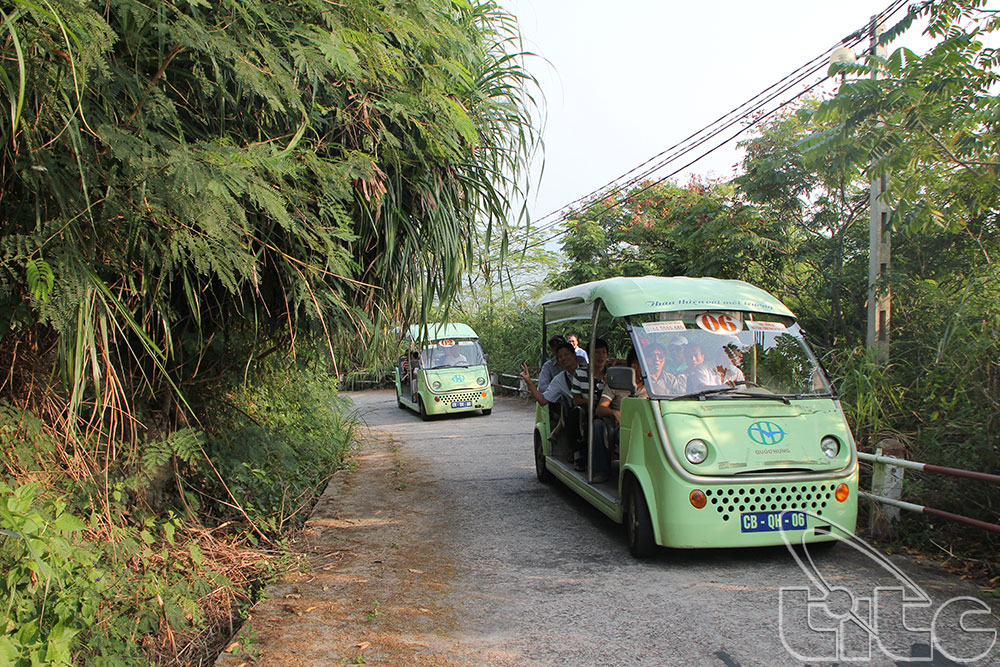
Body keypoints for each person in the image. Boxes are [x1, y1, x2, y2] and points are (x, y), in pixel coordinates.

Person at [591, 348, 647, 484]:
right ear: (634, 366)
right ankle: (603, 471)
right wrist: (614, 413)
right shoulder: (616, 383)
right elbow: (600, 409)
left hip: (647, 427)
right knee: (599, 426)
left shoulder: (656, 385)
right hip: (622, 427)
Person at [519, 342, 579, 440]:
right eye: (560, 356)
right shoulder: (559, 379)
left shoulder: (588, 371)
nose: (564, 358)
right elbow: (543, 400)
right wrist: (529, 382)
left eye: (566, 354)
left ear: (574, 355)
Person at [568, 338, 609, 469]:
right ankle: (578, 455)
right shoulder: (581, 373)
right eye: (597, 352)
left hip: (606, 409)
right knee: (575, 414)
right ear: (590, 355)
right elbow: (576, 399)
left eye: (603, 352)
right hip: (587, 409)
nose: (600, 356)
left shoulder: (611, 373)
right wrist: (590, 402)